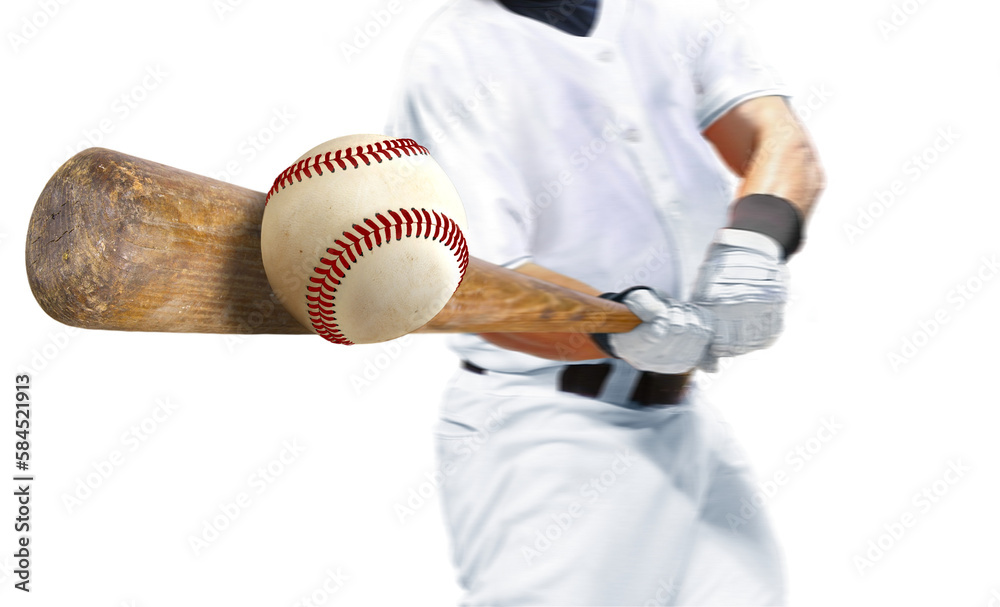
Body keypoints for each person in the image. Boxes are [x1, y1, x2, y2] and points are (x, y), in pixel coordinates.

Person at [385, 0, 824, 604]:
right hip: (548, 434)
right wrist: (612, 324)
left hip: (685, 419)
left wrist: (755, 244)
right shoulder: (456, 54)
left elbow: (781, 143)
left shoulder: (673, 15)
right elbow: (471, 284)